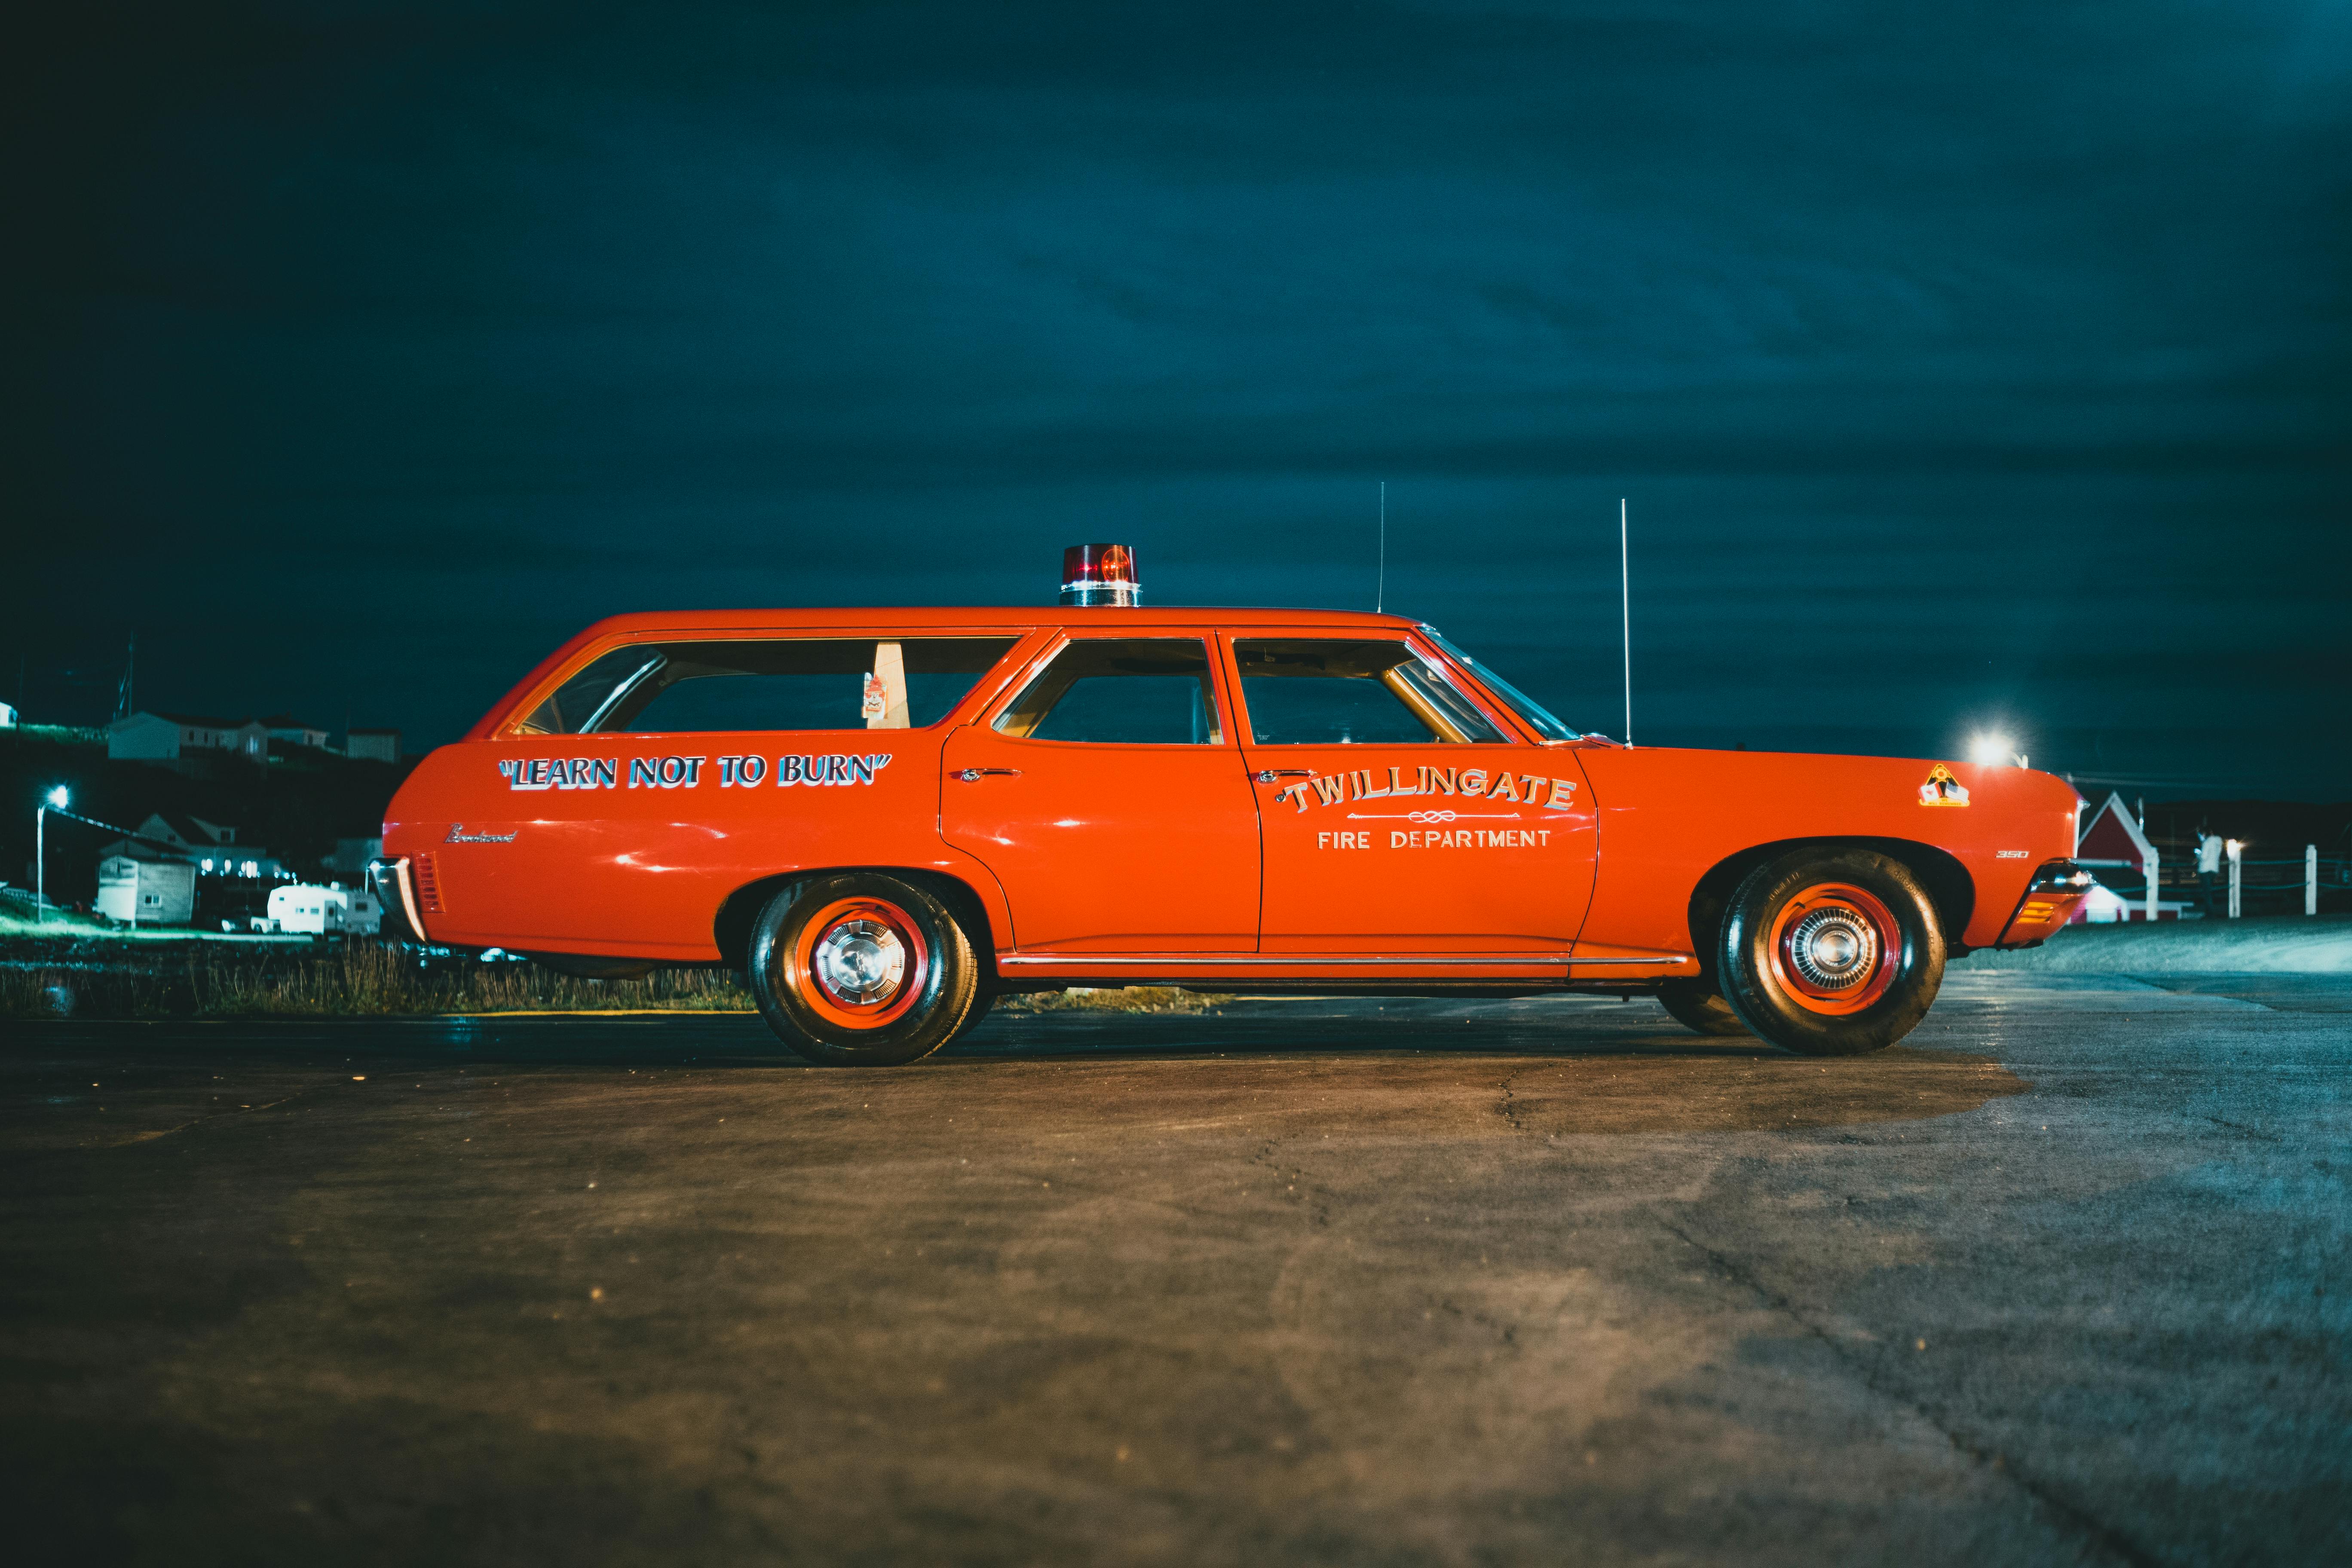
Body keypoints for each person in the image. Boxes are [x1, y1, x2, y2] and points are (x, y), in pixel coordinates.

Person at [2197, 829, 2225, 915]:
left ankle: (2209, 913)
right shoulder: (2219, 842)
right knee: (2210, 891)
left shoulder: (2207, 843)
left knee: (2206, 892)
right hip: (2214, 869)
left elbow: (2204, 857)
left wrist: (2198, 855)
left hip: (2205, 869)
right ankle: (2211, 912)